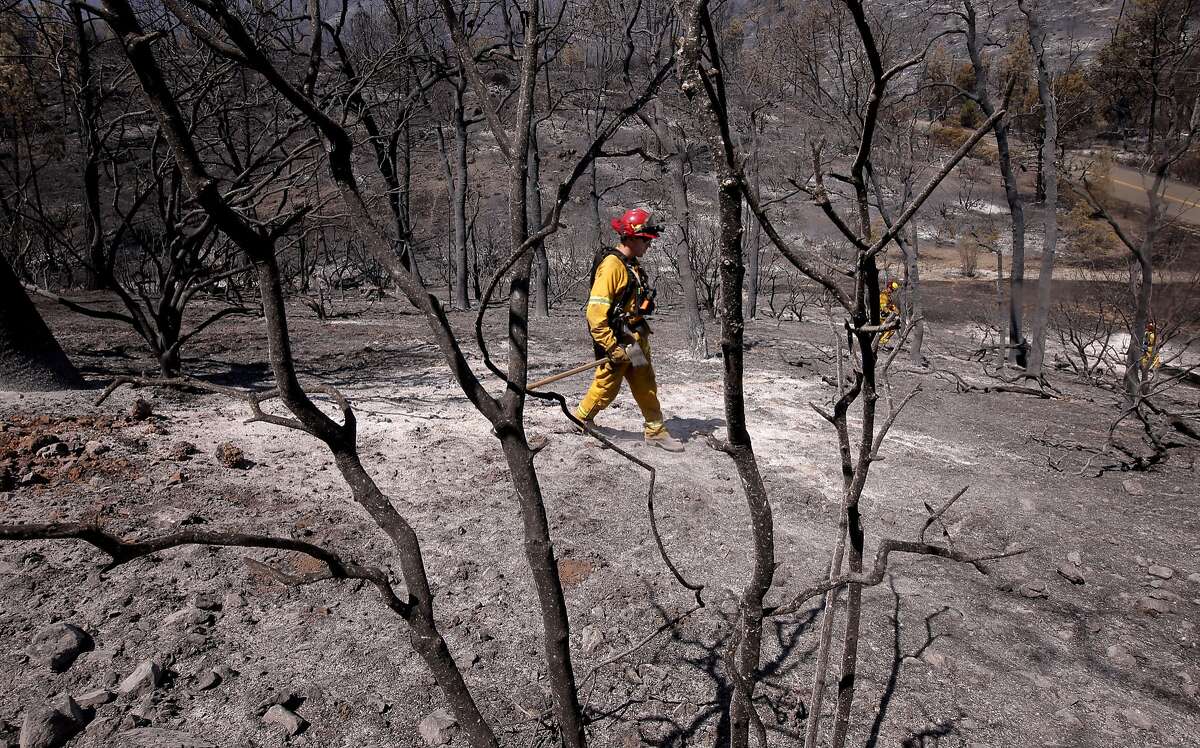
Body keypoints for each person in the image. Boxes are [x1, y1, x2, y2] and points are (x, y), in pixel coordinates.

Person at [574, 208, 685, 452]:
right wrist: (611, 347)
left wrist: (644, 305)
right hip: (619, 341)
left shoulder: (631, 265)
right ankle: (580, 419)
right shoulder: (612, 267)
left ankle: (655, 431)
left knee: (645, 383)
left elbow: (633, 302)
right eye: (645, 240)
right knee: (606, 388)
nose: (649, 245)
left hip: (634, 339)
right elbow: (595, 314)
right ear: (632, 238)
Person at [879, 279, 901, 345]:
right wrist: (890, 313)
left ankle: (882, 343)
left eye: (893, 290)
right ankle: (880, 343)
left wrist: (896, 310)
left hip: (885, 315)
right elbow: (884, 307)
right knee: (889, 329)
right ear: (889, 287)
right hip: (881, 315)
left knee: (891, 330)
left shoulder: (888, 295)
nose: (892, 291)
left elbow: (889, 305)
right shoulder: (883, 295)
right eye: (892, 289)